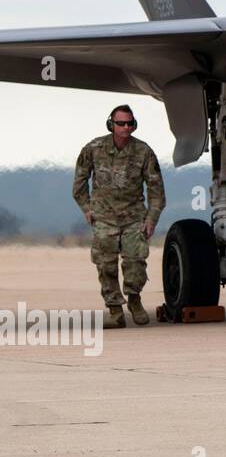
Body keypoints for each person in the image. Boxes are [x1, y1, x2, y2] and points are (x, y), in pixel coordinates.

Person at [72, 104, 166, 327]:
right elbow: (79, 184)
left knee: (135, 264)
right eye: (121, 123)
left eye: (129, 123)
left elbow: (157, 191)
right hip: (104, 217)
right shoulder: (93, 149)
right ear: (111, 124)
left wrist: (151, 219)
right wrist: (87, 208)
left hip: (134, 217)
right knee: (106, 266)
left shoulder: (144, 152)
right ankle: (115, 311)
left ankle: (134, 300)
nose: (126, 127)